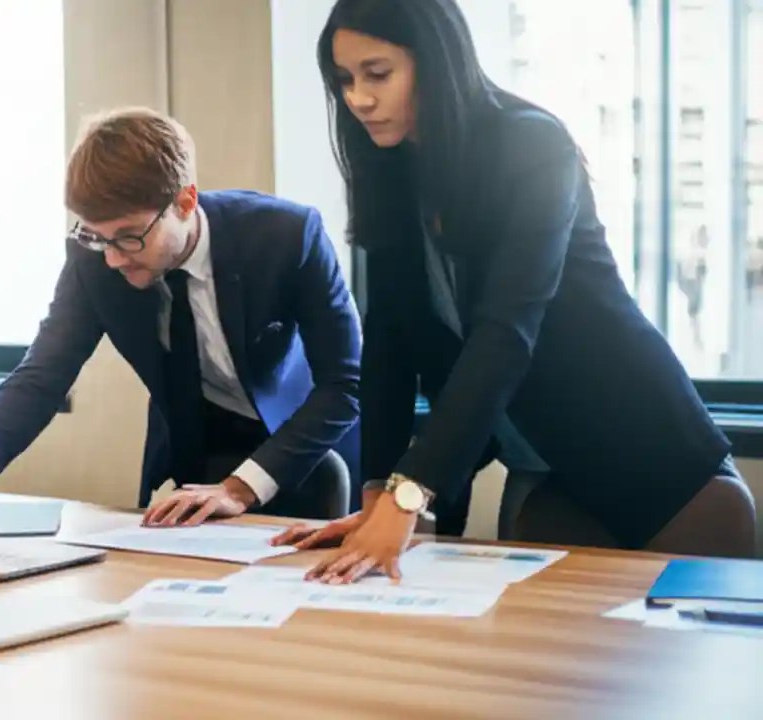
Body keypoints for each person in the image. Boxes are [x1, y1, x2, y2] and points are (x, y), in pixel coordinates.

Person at [273, 0, 756, 582]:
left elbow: (506, 331)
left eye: (378, 74)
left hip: (652, 465)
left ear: (437, 60)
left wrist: (408, 495)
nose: (358, 98)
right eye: (344, 79)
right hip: (549, 476)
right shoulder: (394, 168)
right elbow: (389, 346)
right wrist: (377, 489)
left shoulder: (531, 145)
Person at [0, 107, 361, 525]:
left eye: (129, 237)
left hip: (306, 446)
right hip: (199, 454)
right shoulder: (92, 258)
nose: (112, 258)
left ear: (185, 201)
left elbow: (346, 383)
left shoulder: (286, 235)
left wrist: (239, 489)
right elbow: (42, 375)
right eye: (97, 237)